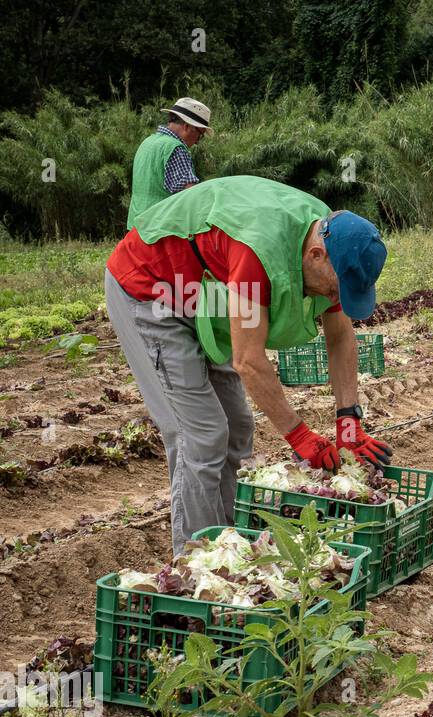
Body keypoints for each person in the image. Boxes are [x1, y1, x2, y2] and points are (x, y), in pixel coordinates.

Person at [104, 174, 393, 555]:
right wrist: (300, 436)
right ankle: (196, 563)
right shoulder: (260, 251)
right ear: (316, 256)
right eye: (336, 288)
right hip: (149, 288)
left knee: (237, 427)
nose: (332, 296)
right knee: (202, 434)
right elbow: (249, 361)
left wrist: (348, 420)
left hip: (203, 295)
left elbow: (339, 335)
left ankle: (225, 543)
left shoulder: (333, 236)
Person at [126, 97, 212, 230]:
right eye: (200, 135)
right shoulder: (176, 148)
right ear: (187, 126)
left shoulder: (148, 142)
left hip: (136, 227)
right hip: (160, 232)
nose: (197, 142)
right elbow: (191, 195)